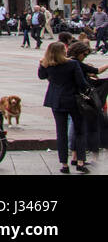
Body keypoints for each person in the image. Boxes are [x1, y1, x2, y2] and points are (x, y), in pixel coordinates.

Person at [39, 41, 91, 173]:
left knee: (61, 133)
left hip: (56, 101)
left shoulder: (47, 65)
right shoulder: (72, 64)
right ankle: (80, 162)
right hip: (73, 100)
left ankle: (64, 165)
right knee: (80, 131)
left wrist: (41, 64)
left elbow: (41, 76)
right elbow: (82, 84)